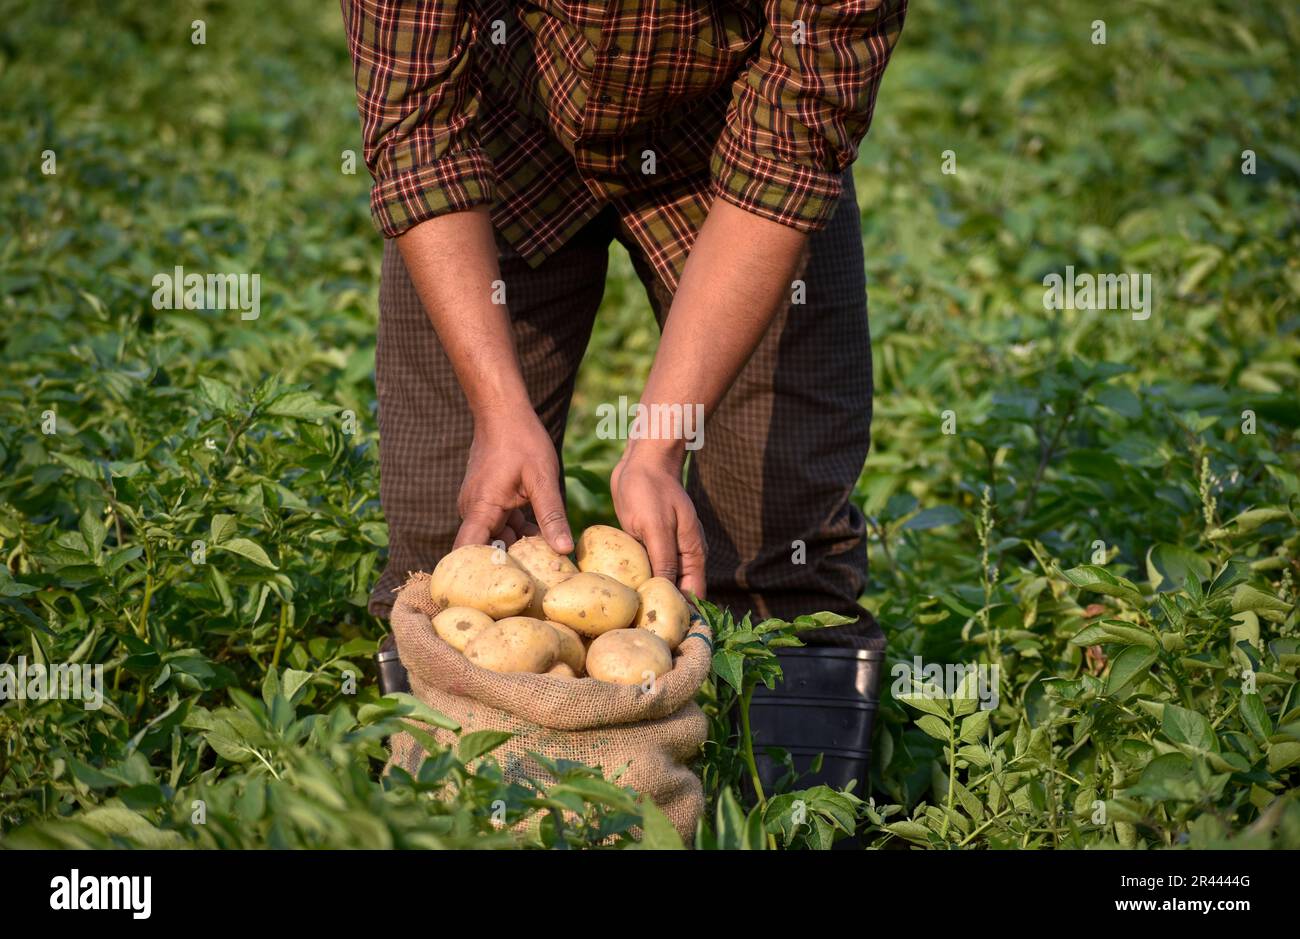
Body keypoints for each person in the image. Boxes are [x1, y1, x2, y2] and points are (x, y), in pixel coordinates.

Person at [342, 1, 906, 666]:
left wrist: (658, 448)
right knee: (455, 551)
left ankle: (776, 761)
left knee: (778, 545)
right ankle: (466, 762)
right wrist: (497, 410)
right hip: (499, 133)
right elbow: (415, 128)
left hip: (731, 138)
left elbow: (789, 149)